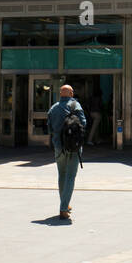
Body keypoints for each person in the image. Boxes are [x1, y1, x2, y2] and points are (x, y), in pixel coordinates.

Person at [47, 84, 85, 220]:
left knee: (62, 174)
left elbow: (49, 127)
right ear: (71, 94)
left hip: (58, 146)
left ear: (60, 94)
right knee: (70, 176)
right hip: (73, 146)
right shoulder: (75, 105)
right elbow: (83, 123)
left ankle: (65, 203)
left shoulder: (53, 108)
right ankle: (63, 208)